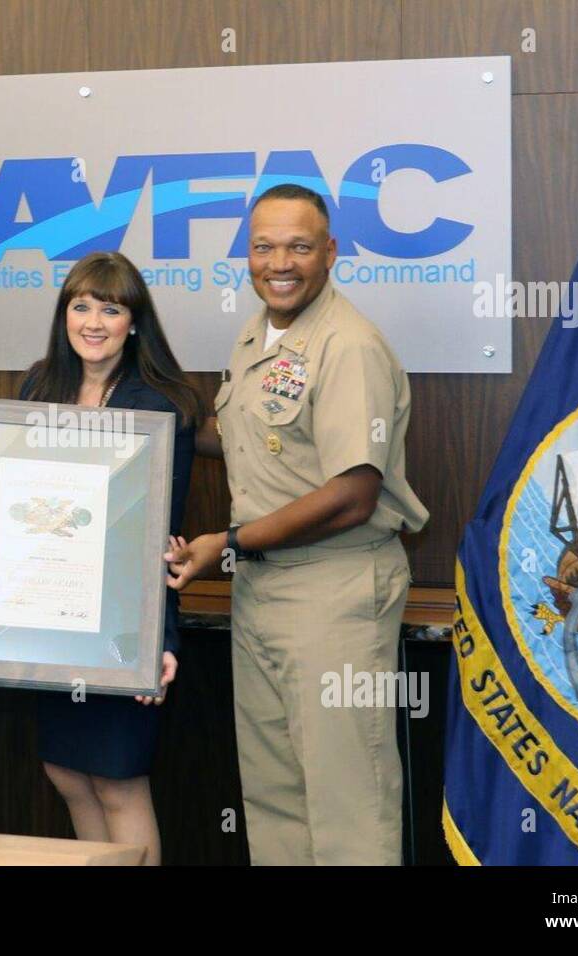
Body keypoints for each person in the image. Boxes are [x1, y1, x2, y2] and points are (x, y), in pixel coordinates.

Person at [166, 185, 429, 865]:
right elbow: (251, 437)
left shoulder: (350, 345)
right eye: (263, 246)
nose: (278, 262)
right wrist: (142, 428)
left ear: (330, 253)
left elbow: (353, 493)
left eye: (298, 246)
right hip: (264, 592)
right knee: (278, 802)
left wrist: (226, 545)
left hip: (333, 593)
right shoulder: (262, 332)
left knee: (347, 809)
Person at [17, 251, 200, 865]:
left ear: (134, 323)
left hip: (121, 620)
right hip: (50, 615)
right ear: (64, 315)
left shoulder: (159, 404)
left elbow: (157, 536)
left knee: (119, 779)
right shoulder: (38, 386)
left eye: (111, 309)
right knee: (68, 772)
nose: (94, 321)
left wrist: (158, 636)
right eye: (82, 306)